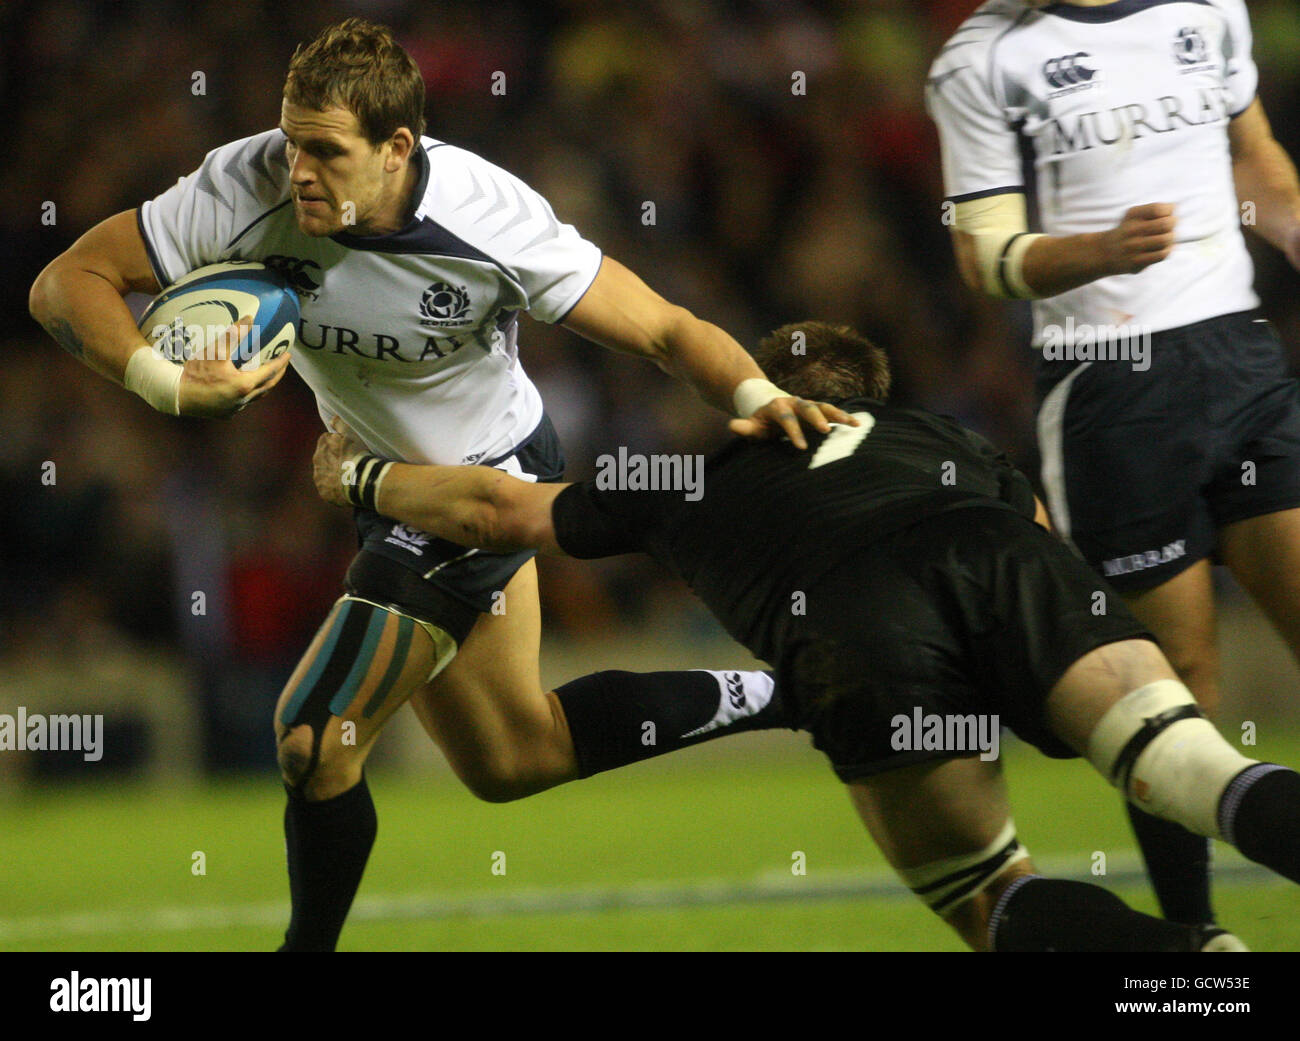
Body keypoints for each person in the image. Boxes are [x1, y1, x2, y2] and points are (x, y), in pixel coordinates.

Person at [27, 18, 852, 952]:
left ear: (396, 150)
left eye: (326, 151)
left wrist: (754, 392)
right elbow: (68, 281)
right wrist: (167, 382)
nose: (298, 169)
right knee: (512, 756)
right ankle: (790, 689)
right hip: (382, 490)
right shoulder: (244, 184)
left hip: (482, 476)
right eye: (292, 141)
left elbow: (663, 328)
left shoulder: (487, 215)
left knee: (312, 733)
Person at [314, 319, 1300, 951]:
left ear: (749, 400)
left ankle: (1200, 972)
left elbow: (500, 511)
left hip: (859, 633)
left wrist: (354, 480)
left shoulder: (693, 473)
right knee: (1195, 771)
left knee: (992, 893)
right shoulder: (945, 440)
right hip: (1009, 560)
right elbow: (1040, 540)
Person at [926, 0, 1300, 944]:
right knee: (1178, 687)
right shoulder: (981, 59)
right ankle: (1197, 941)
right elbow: (986, 253)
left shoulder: (1209, 8)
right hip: (1110, 389)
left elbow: (1250, 150)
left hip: (1241, 359)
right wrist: (1100, 250)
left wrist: (1291, 226)